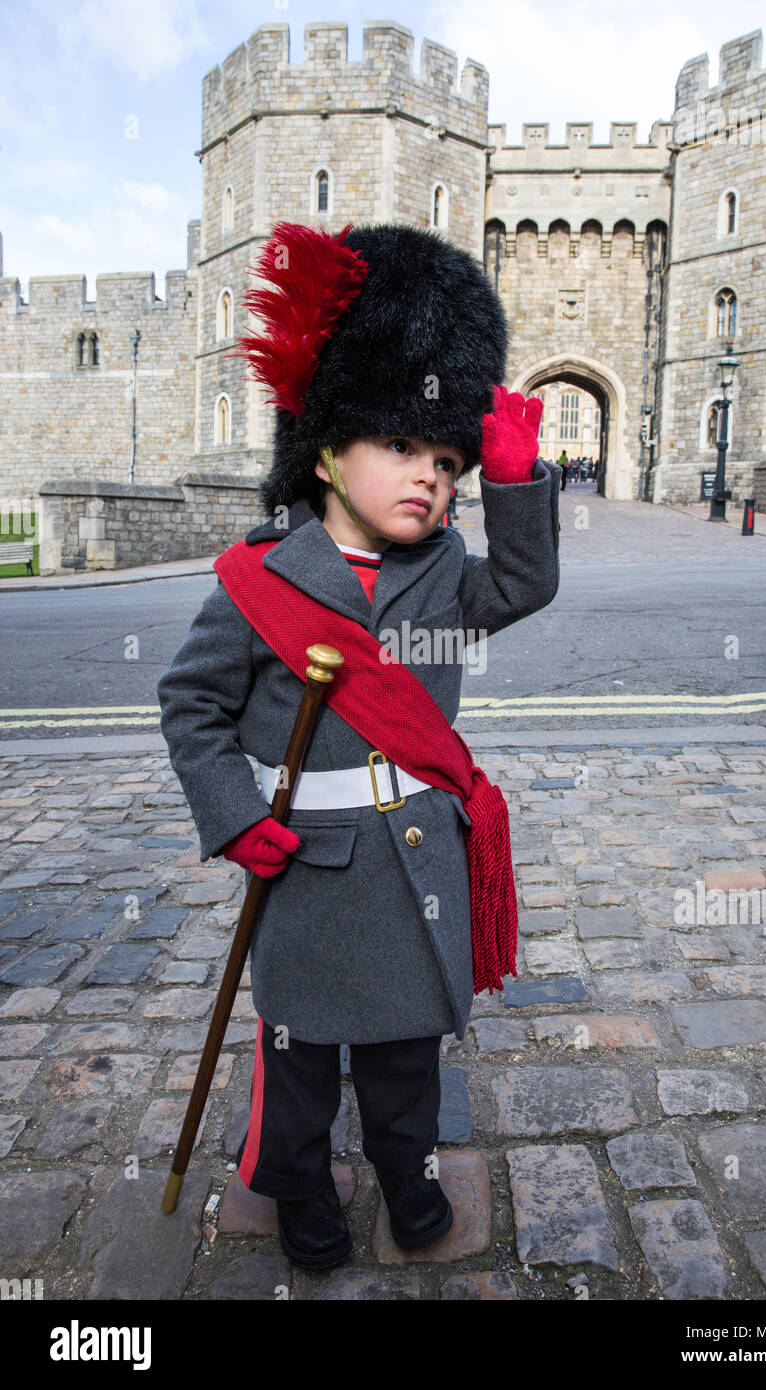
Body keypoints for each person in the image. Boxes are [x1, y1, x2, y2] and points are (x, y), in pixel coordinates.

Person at [157, 221, 561, 1272]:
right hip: (307, 855)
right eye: (402, 448)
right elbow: (191, 706)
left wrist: (515, 482)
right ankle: (299, 1189)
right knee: (296, 1054)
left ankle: (404, 1173)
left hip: (414, 852)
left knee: (401, 1056)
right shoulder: (257, 579)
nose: (429, 477)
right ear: (328, 446)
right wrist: (234, 818)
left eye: (446, 460)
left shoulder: (447, 575)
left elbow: (523, 588)